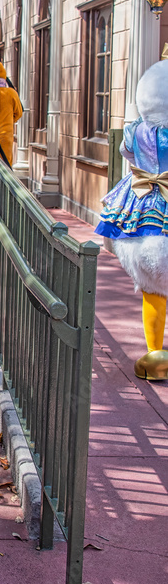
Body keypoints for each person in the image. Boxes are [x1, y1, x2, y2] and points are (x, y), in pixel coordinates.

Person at [96, 50, 168, 381]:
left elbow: (126, 152)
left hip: (141, 207)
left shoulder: (135, 130)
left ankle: (155, 355)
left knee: (152, 288)